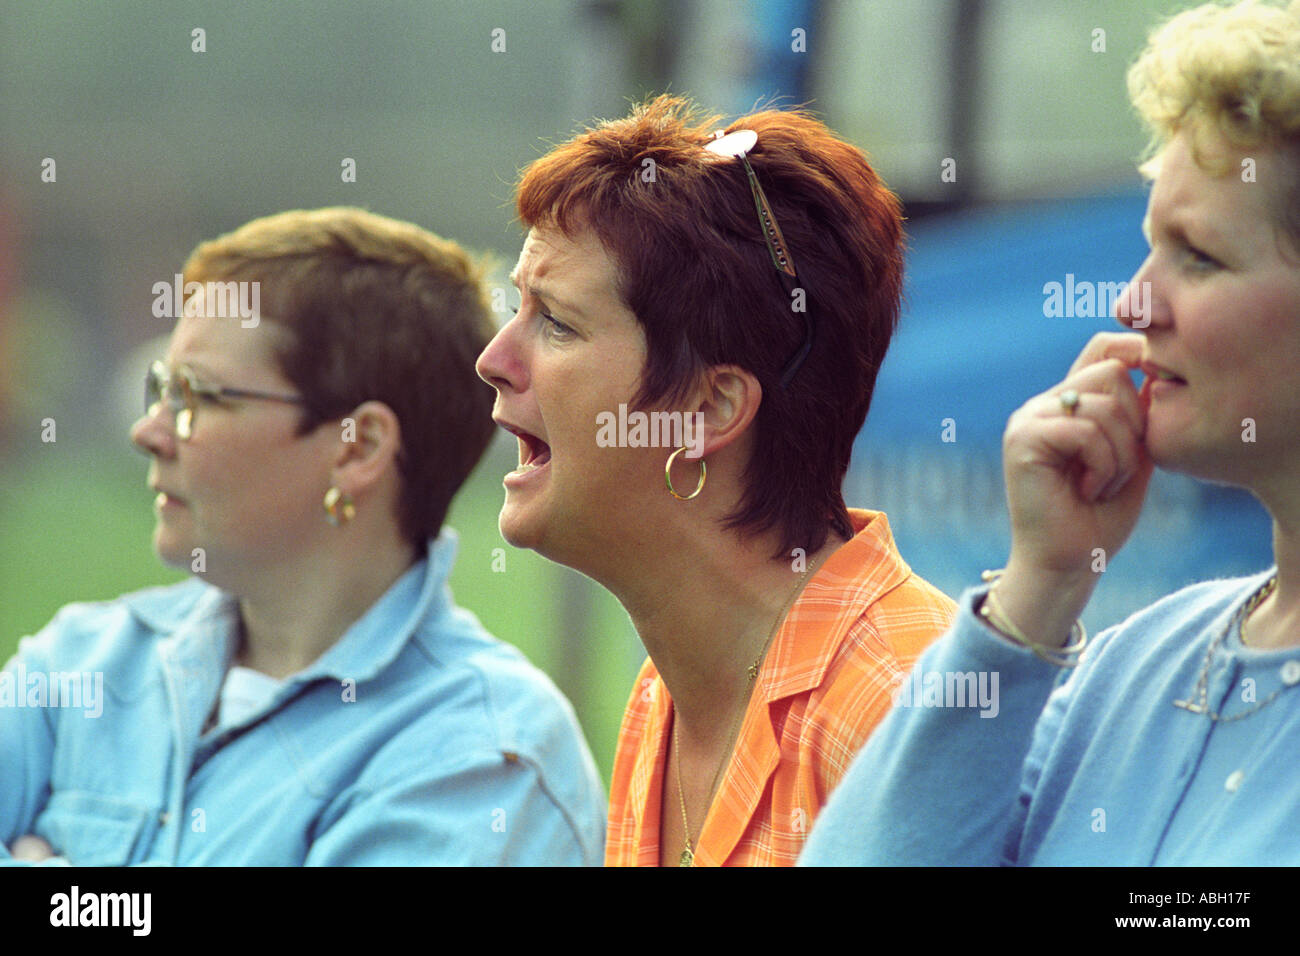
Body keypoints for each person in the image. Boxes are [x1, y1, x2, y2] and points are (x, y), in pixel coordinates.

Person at [801, 0, 1300, 866]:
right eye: (1150, 248)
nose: (1132, 304)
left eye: (1199, 257)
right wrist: (1038, 586)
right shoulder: (1136, 666)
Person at [0, 207, 605, 866]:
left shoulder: (483, 759)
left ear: (358, 447)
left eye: (198, 397)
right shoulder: (78, 666)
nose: (148, 431)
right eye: (160, 390)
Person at [475, 95, 956, 866]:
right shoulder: (668, 696)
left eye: (557, 323)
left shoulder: (895, 707)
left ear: (706, 409)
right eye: (517, 309)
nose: (494, 359)